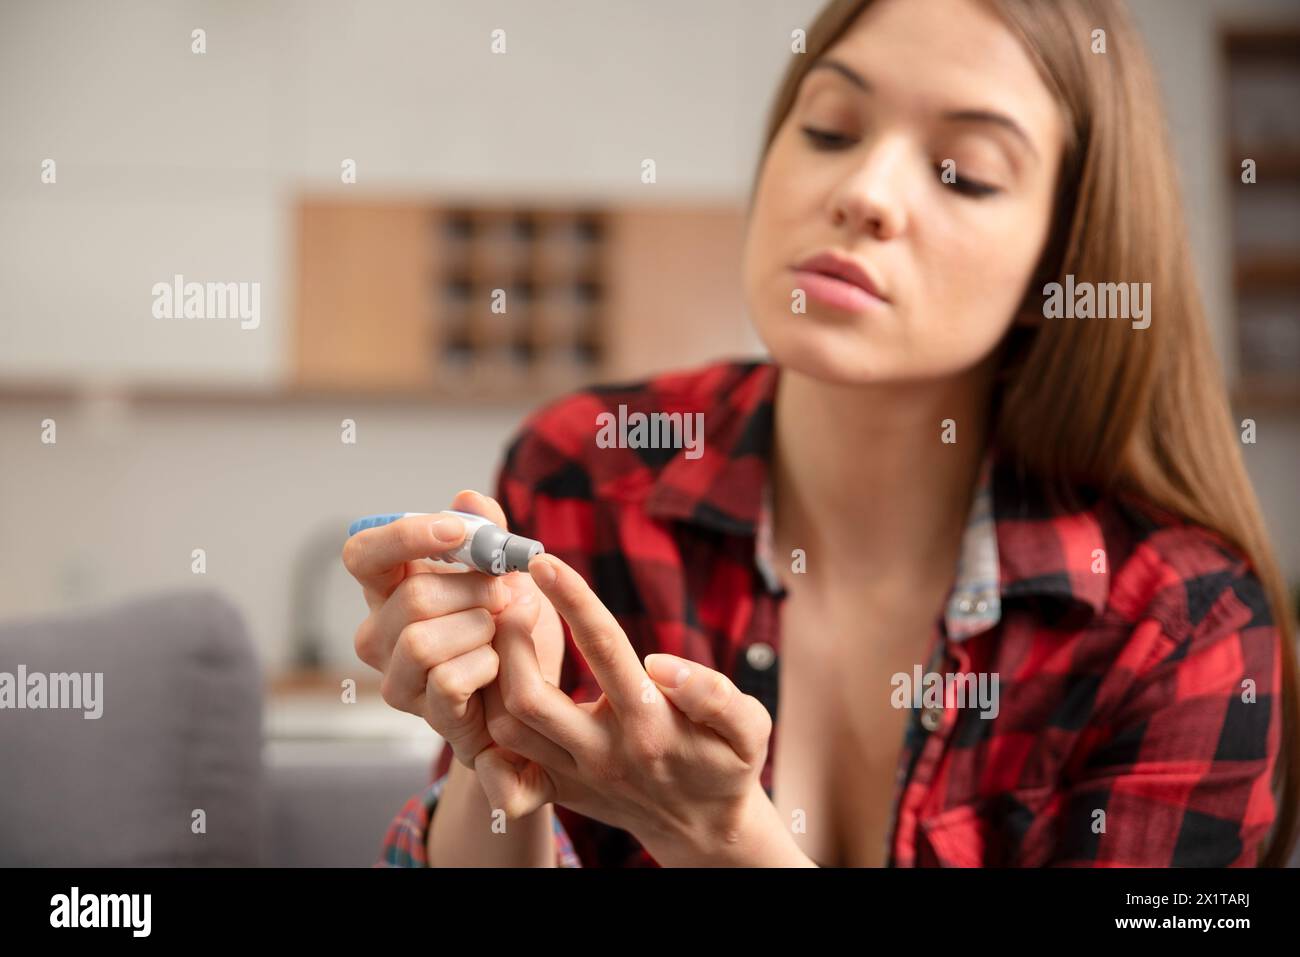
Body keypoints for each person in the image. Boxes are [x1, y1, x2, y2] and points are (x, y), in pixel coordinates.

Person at [345, 0, 1298, 867]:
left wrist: (720, 842)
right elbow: (497, 814)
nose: (865, 191)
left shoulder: (1185, 627)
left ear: (1065, 258)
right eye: (830, 127)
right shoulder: (590, 466)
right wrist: (496, 757)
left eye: (964, 173)